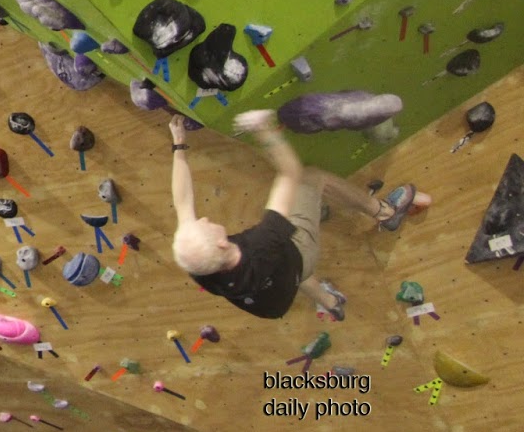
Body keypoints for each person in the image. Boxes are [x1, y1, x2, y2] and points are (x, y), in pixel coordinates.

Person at [170, 110, 429, 320]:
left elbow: (182, 203)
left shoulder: (197, 263)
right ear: (222, 243)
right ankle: (384, 213)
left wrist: (179, 146)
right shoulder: (265, 242)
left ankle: (331, 303)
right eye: (205, 225)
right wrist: (264, 130)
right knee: (311, 178)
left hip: (270, 301)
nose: (202, 220)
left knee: (290, 273)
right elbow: (290, 173)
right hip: (296, 258)